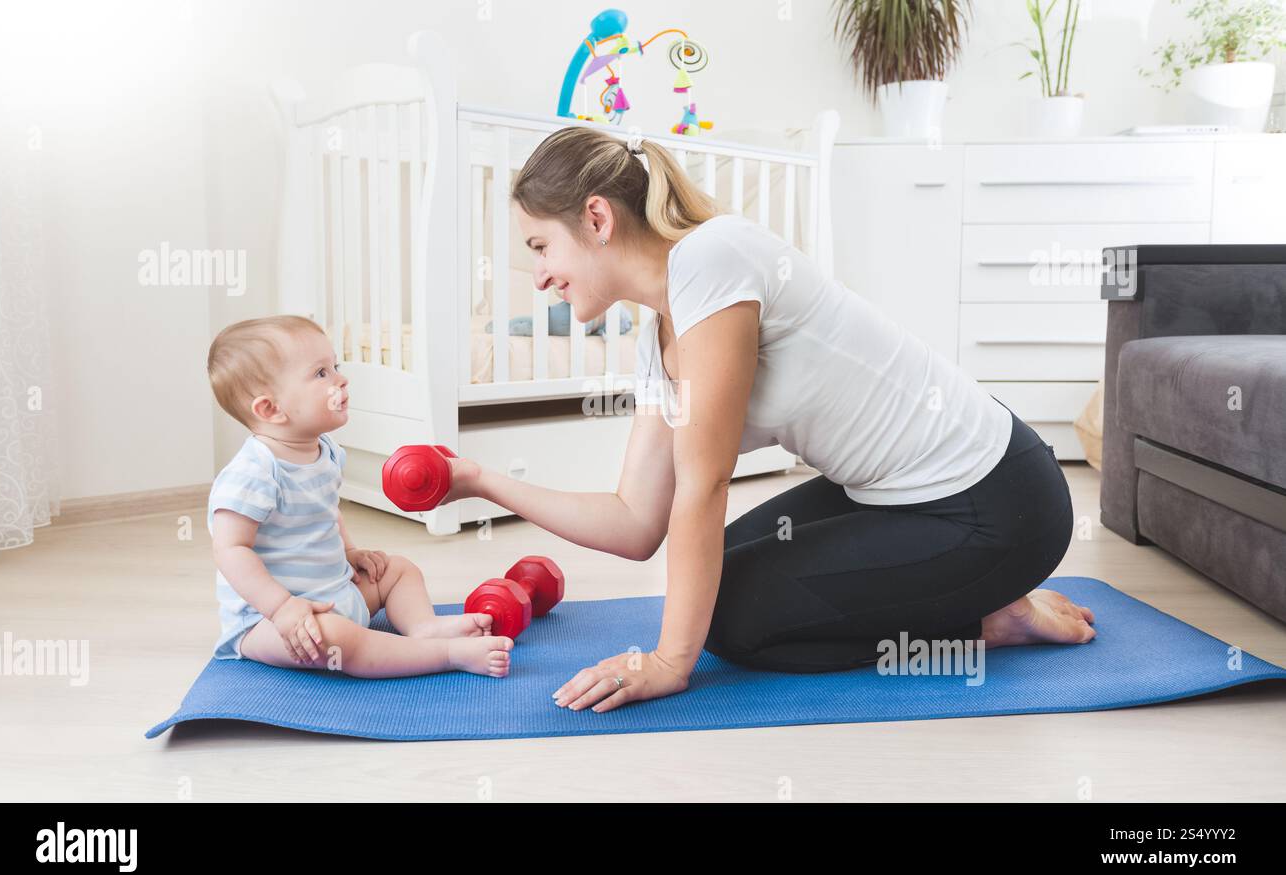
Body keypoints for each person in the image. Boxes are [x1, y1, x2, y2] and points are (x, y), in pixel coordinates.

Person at [433, 126, 1096, 713]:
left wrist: (669, 662)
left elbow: (704, 484)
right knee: (721, 582)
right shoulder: (657, 338)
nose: (541, 276)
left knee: (728, 623)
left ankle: (985, 621)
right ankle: (968, 600)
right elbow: (636, 523)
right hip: (900, 499)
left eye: (541, 246)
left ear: (597, 218)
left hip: (997, 502)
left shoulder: (710, 259)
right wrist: (483, 481)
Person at [205, 314, 513, 678]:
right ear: (271, 409)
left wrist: (350, 553)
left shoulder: (326, 451)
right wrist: (282, 607)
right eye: (321, 373)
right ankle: (443, 654)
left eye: (334, 366)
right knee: (335, 640)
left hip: (335, 590)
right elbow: (231, 550)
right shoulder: (253, 472)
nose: (340, 378)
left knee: (398, 570)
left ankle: (423, 628)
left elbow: (327, 513)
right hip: (269, 622)